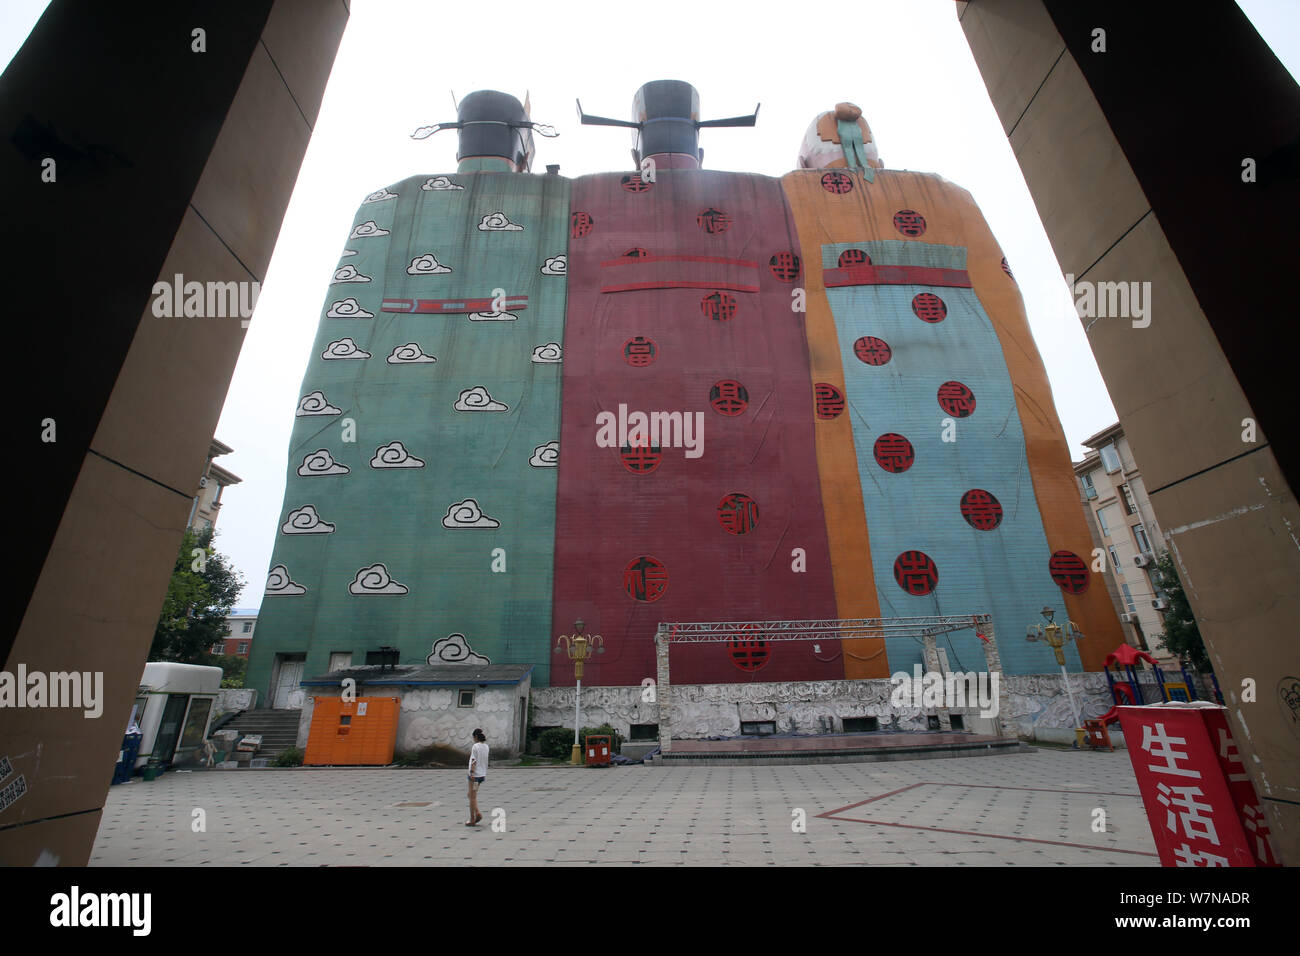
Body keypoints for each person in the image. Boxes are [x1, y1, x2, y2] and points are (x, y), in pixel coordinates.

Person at [466, 728, 488, 826]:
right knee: (470, 795)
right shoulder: (486, 746)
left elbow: (474, 761)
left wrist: (471, 773)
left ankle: (472, 818)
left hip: (474, 776)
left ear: (475, 737)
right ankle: (477, 813)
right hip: (481, 775)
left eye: (473, 737)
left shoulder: (475, 746)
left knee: (472, 797)